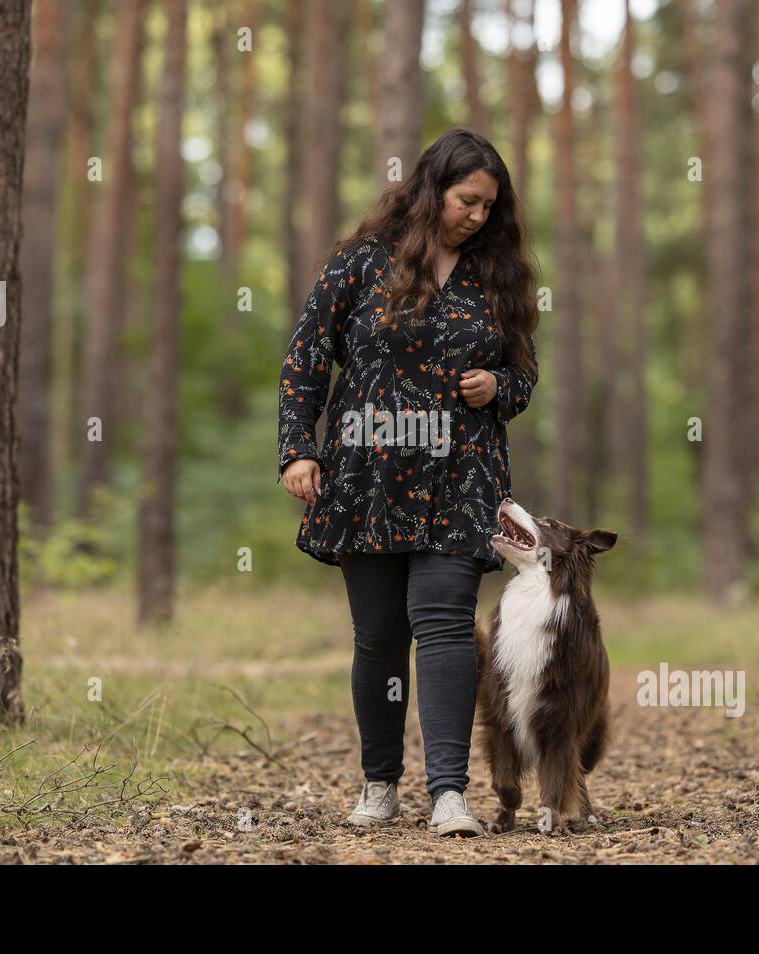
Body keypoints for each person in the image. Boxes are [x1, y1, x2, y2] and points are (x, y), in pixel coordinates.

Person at [277, 127, 539, 837]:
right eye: (467, 201)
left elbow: (524, 374)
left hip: (463, 475)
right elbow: (306, 358)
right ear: (432, 189)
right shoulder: (361, 265)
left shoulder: (498, 277)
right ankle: (380, 782)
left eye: (489, 206)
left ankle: (449, 793)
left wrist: (499, 386)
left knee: (447, 622)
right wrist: (299, 450)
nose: (478, 217)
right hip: (367, 474)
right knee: (380, 637)